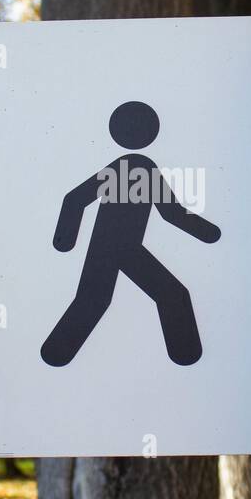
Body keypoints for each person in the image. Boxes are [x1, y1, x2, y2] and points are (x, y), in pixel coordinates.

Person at [41, 101, 221, 367]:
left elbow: (170, 212)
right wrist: (64, 240)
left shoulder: (138, 167)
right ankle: (55, 354)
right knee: (165, 294)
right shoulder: (134, 167)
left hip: (118, 247)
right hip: (113, 247)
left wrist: (208, 233)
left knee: (98, 299)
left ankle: (55, 354)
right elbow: (76, 199)